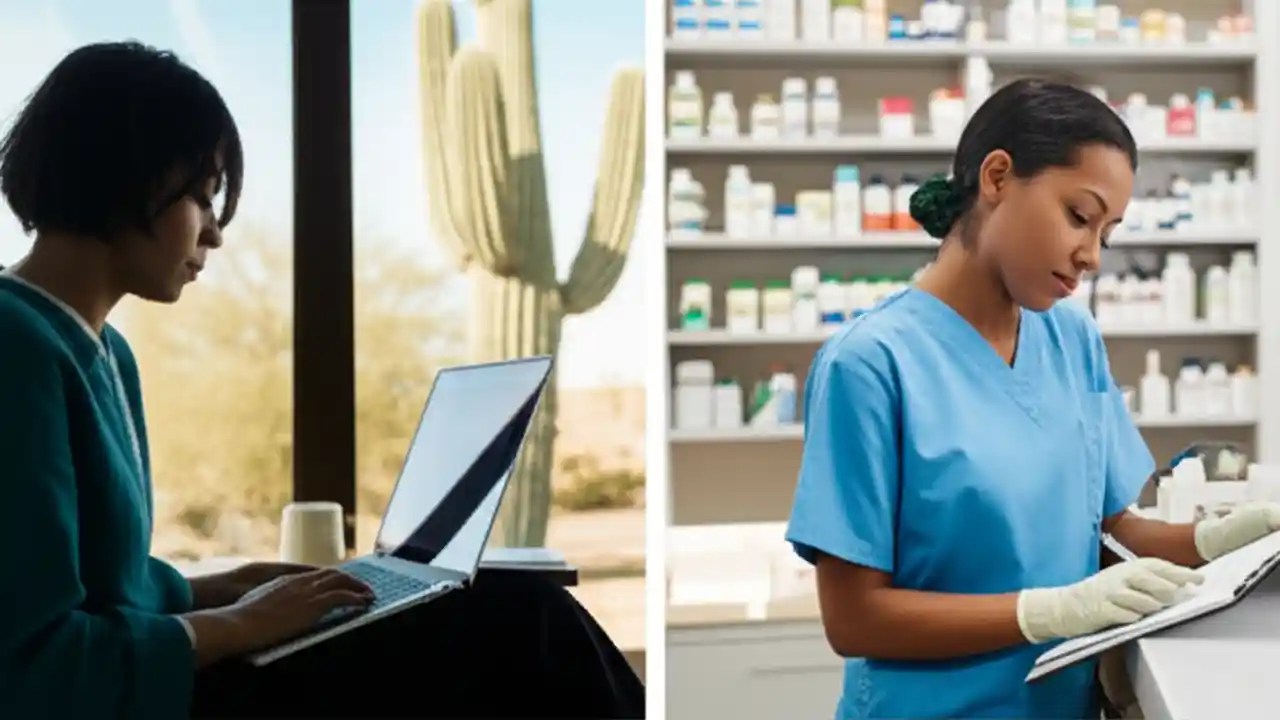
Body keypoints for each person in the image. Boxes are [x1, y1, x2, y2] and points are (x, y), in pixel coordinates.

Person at [0, 41, 643, 719]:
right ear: (120, 175)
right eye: (200, 195)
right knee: (522, 623)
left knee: (502, 605)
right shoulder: (16, 346)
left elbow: (104, 589)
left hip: (162, 680)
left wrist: (226, 589)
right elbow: (32, 665)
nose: (214, 234)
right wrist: (241, 625)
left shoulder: (105, 351)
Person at [785, 78, 1280, 720]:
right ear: (997, 177)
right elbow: (854, 620)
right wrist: (1046, 611)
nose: (1092, 255)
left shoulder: (1070, 336)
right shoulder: (870, 363)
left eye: (1108, 232)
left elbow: (1110, 535)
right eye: (1079, 216)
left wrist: (1228, 540)